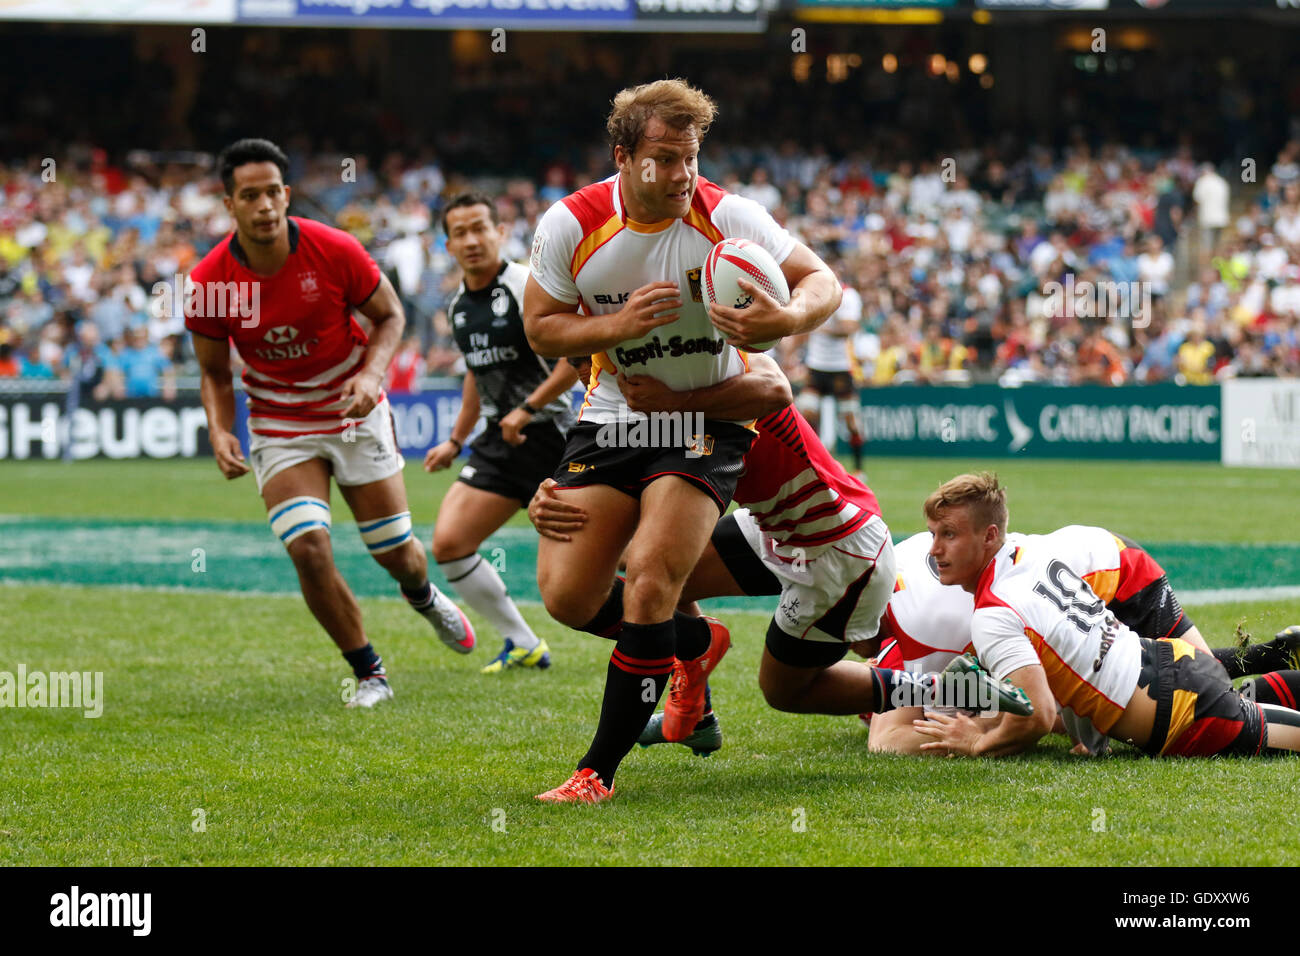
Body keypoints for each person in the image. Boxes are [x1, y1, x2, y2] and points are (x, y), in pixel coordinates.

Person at [521, 79, 846, 803]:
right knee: (567, 596)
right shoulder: (571, 224)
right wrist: (617, 325)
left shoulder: (729, 217)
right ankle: (691, 646)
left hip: (706, 422)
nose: (680, 175)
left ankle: (594, 774)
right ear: (623, 156)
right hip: (614, 416)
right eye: (663, 159)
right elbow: (541, 325)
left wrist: (785, 319)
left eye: (690, 158)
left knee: (650, 577)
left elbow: (824, 281)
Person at [530, 356, 1029, 758]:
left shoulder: (699, 382)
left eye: (586, 360)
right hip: (778, 526)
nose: (586, 373)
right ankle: (695, 696)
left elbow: (767, 384)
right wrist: (561, 493)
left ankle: (952, 689)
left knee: (786, 690)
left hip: (838, 548)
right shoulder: (656, 392)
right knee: (648, 570)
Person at [186, 138, 473, 710]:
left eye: (272, 193)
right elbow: (215, 374)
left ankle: (422, 595)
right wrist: (220, 430)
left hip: (354, 412)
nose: (264, 205)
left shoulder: (335, 249)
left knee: (395, 553)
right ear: (229, 205)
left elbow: (390, 317)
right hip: (279, 422)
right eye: (250, 196)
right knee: (310, 548)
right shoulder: (209, 282)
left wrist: (372, 376)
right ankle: (369, 672)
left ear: (287, 195)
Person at [911, 473, 1300, 758]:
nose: (934, 550)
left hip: (1177, 711)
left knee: (1272, 733)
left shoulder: (993, 614)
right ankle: (1280, 656)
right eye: (932, 534)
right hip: (1172, 667)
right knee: (1251, 710)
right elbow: (1068, 661)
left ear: (989, 536)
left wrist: (978, 742)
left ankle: (1275, 659)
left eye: (948, 534)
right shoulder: (1026, 553)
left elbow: (1038, 716)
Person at [423, 193, 577, 674]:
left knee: (609, 560)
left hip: (551, 434)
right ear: (447, 245)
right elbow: (476, 374)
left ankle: (673, 638)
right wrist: (454, 439)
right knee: (448, 543)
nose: (471, 240)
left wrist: (526, 410)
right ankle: (523, 642)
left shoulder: (526, 285)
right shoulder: (457, 308)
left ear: (499, 232)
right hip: (498, 438)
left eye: (479, 229)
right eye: (460, 233)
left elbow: (575, 361)